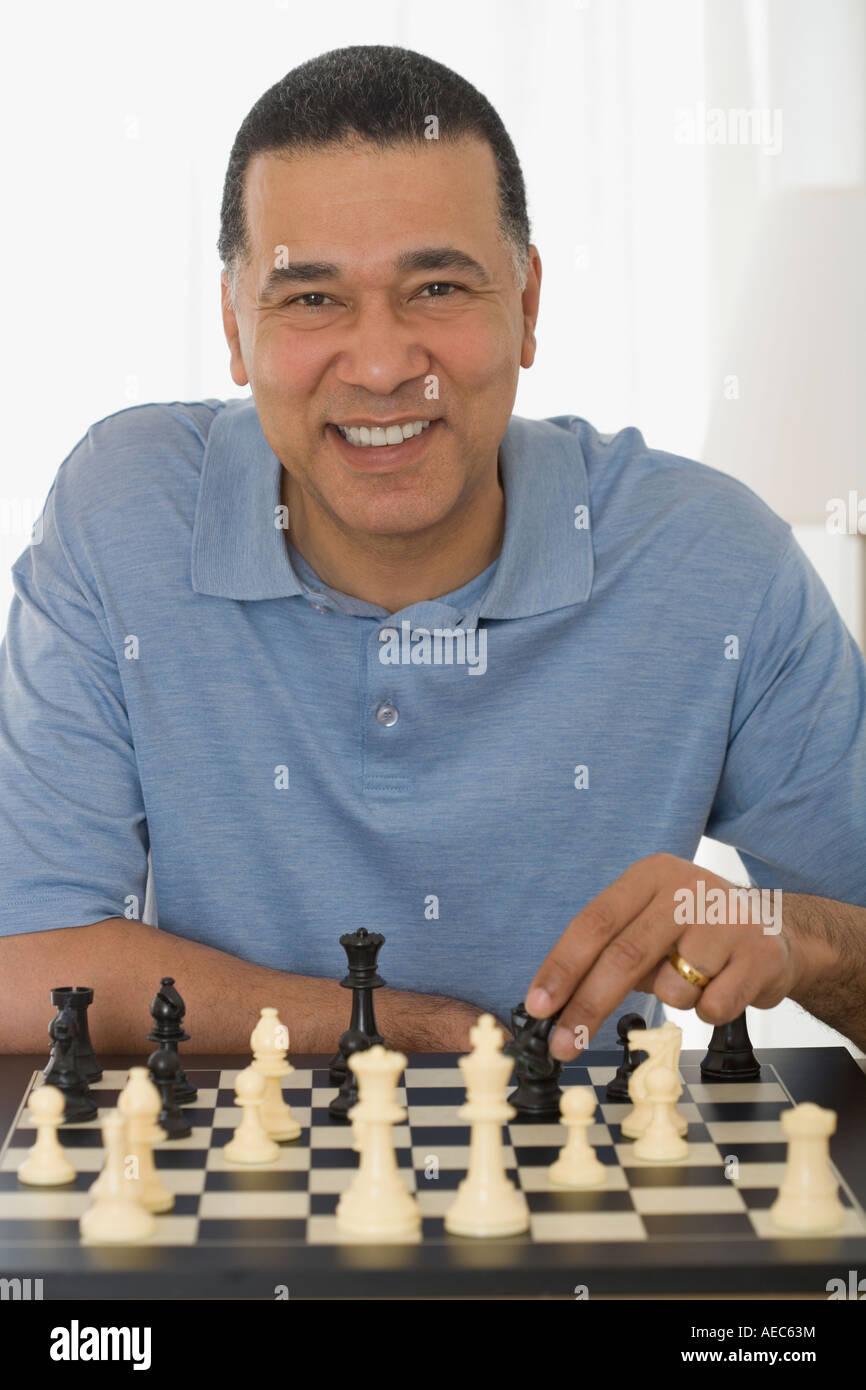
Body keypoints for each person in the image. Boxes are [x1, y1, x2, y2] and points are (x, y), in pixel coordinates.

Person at [1, 46, 864, 1058]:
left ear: (527, 305)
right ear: (234, 325)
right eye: (311, 298)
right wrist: (417, 1031)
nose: (378, 365)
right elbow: (28, 963)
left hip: (591, 1202)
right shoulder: (122, 511)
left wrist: (790, 934)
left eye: (438, 287)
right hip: (228, 1198)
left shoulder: (715, 560)